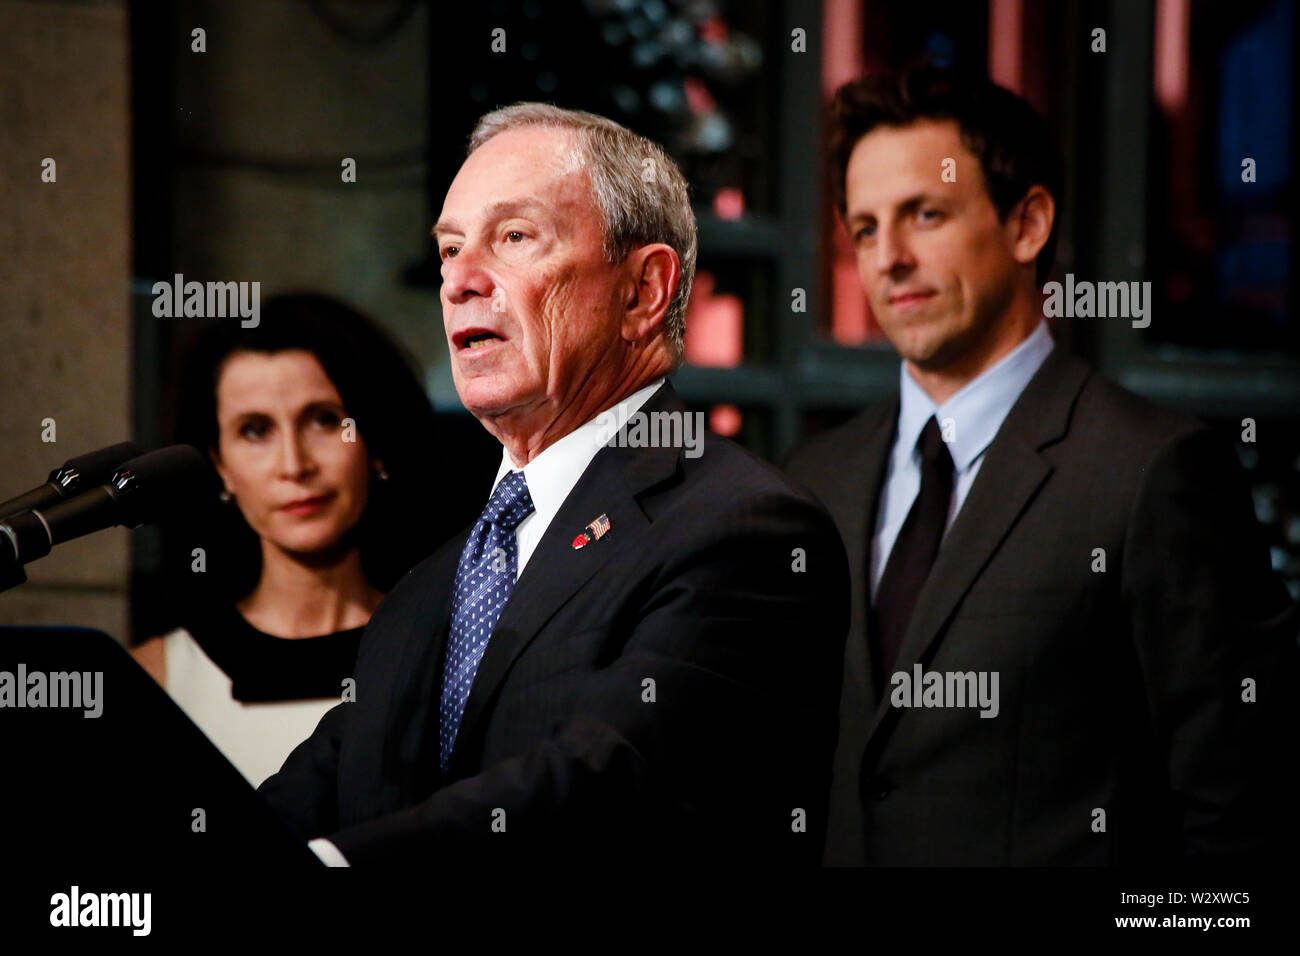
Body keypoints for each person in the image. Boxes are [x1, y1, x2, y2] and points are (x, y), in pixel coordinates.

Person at [257, 104, 849, 867]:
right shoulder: (426, 592)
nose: (461, 282)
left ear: (643, 292)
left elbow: (605, 785)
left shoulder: (746, 534)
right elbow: (316, 791)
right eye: (448, 249)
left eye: (513, 238)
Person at [784, 67, 1296, 866]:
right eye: (866, 228)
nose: (890, 258)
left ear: (1027, 225)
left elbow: (1242, 818)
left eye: (925, 214)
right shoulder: (815, 479)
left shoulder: (1152, 474)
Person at [132, 294, 476, 787]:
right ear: (220, 465)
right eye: (255, 431)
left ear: (375, 443)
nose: (294, 465)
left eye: (323, 420)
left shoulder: (458, 653)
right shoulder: (153, 677)